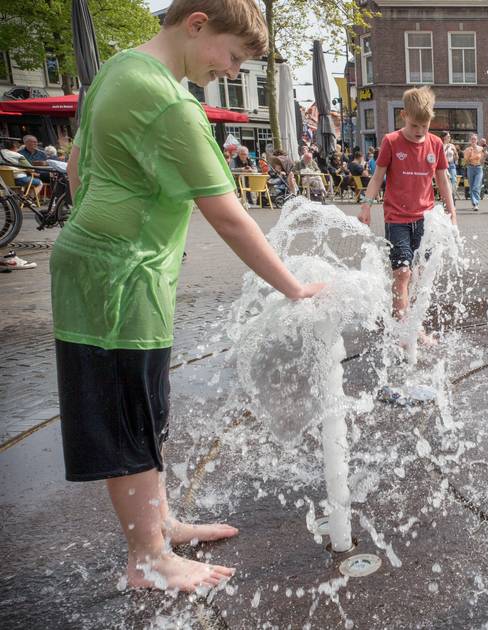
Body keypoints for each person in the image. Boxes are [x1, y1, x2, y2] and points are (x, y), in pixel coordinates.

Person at [50, 0, 322, 593]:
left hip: (104, 265)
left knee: (142, 404)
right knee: (129, 411)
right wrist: (295, 287)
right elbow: (229, 217)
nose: (230, 69)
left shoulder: (118, 71)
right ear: (197, 23)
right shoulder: (174, 104)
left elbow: (78, 165)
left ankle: (159, 524)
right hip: (122, 277)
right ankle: (148, 557)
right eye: (231, 55)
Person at [357, 86, 457, 322]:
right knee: (402, 273)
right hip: (397, 220)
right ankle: (401, 328)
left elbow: (443, 180)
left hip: (426, 219)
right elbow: (377, 177)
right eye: (414, 126)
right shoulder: (391, 142)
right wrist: (366, 206)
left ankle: (413, 325)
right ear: (404, 116)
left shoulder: (435, 144)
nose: (420, 131)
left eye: (425, 126)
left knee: (420, 275)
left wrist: (452, 212)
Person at [463, 133, 484, 211]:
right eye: (472, 139)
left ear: (477, 140)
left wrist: (483, 158)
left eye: (475, 139)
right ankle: (474, 203)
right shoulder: (467, 149)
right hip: (470, 168)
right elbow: (465, 161)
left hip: (479, 168)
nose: (473, 140)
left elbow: (482, 160)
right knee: (472, 187)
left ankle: (476, 203)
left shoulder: (481, 149)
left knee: (476, 186)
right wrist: (470, 153)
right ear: (470, 140)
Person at [442, 133, 459, 197]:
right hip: (444, 166)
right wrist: (446, 149)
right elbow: (440, 156)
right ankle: (446, 197)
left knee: (454, 180)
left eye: (449, 136)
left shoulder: (452, 145)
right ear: (444, 137)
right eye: (448, 136)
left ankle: (452, 195)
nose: (449, 137)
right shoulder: (441, 145)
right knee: (445, 182)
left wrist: (455, 152)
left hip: (452, 164)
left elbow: (457, 158)